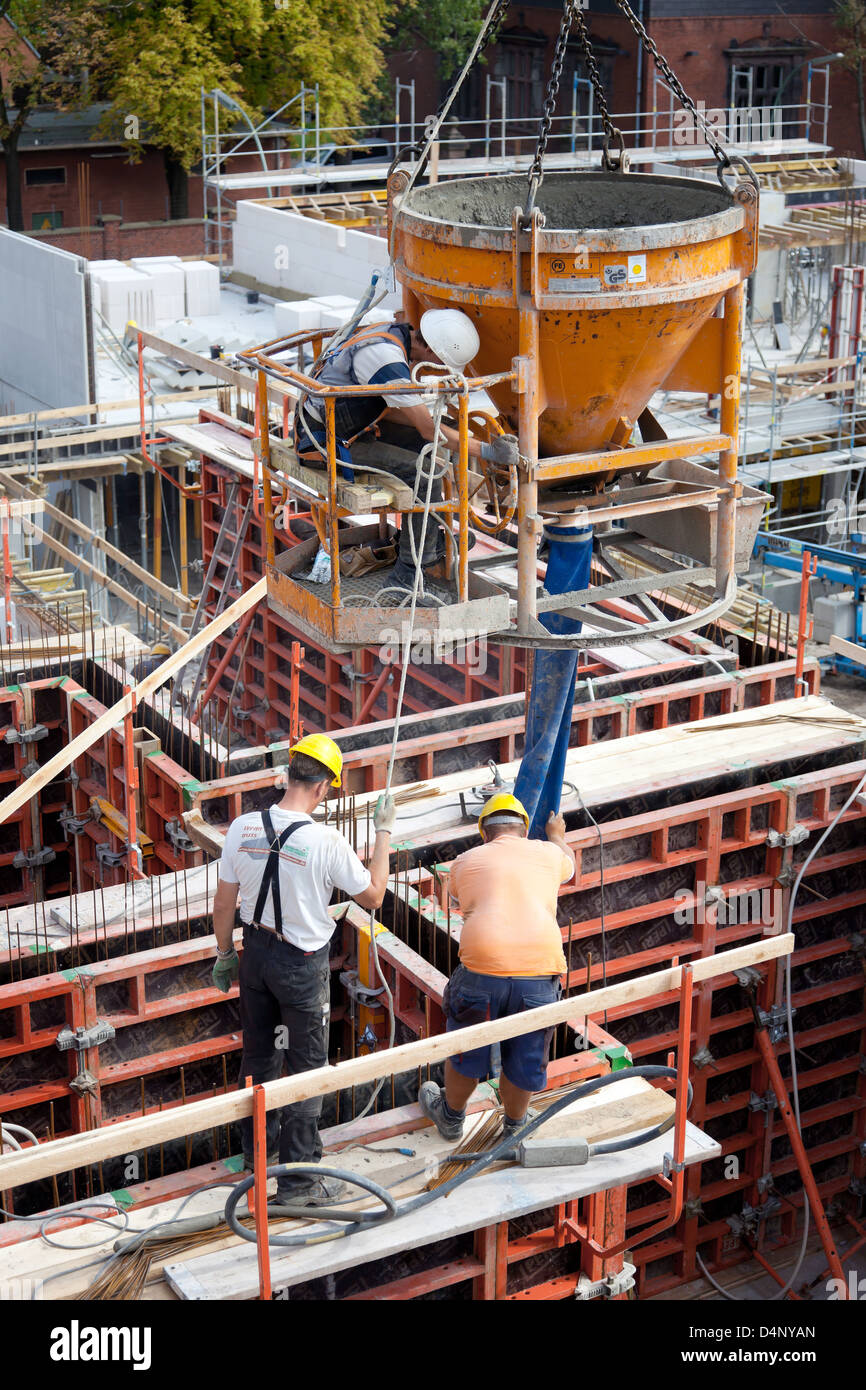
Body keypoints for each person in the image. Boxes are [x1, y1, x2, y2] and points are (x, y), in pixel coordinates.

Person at [211, 732, 396, 1207]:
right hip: (300, 966)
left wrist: (224, 954)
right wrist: (383, 834)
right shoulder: (326, 841)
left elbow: (224, 901)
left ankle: (258, 1157)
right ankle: (297, 1186)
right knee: (306, 1068)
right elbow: (373, 896)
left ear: (290, 775)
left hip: (254, 958)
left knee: (260, 1058)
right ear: (323, 788)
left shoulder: (243, 827)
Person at [294, 307, 518, 591]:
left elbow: (401, 413)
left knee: (430, 437)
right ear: (435, 352)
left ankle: (423, 539)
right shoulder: (386, 361)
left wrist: (437, 423)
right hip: (327, 444)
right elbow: (427, 429)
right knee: (427, 470)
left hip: (346, 427)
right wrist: (487, 452)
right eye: (443, 363)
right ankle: (410, 571)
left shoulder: (390, 335)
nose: (440, 369)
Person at [419, 792, 575, 1144]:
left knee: (467, 1049)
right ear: (522, 830)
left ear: (484, 833)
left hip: (481, 972)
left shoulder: (465, 861)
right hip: (537, 976)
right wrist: (557, 835)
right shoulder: (550, 854)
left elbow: (453, 900)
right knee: (526, 1054)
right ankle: (515, 1127)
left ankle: (451, 1117)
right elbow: (571, 865)